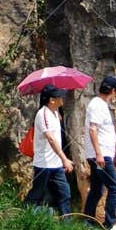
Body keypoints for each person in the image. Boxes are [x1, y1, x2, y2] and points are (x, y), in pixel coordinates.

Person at [83, 74, 116, 230]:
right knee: (115, 187)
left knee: (96, 188)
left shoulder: (101, 105)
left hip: (100, 155)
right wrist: (99, 154)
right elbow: (93, 129)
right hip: (100, 157)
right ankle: (109, 224)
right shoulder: (97, 105)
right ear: (113, 91)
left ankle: (87, 221)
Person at [25, 87, 74, 216]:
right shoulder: (43, 114)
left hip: (56, 164)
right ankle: (25, 216)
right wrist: (64, 159)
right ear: (52, 100)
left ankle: (67, 223)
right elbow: (51, 139)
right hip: (44, 164)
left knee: (65, 193)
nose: (62, 98)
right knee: (37, 194)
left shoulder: (55, 113)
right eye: (59, 97)